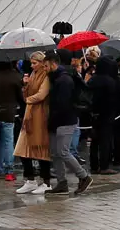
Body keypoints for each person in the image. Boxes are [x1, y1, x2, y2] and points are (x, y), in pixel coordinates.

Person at [45, 49, 93, 194]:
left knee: (63, 151)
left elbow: (62, 104)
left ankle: (84, 176)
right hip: (56, 120)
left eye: (46, 66)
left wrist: (53, 117)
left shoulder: (63, 80)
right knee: (55, 152)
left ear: (53, 64)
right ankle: (61, 182)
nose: (45, 69)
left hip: (65, 119)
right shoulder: (56, 78)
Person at [14, 53, 53, 194]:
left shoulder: (46, 76)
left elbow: (42, 94)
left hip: (41, 115)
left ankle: (46, 182)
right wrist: (25, 86)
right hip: (29, 114)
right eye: (31, 63)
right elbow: (27, 94)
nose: (32, 65)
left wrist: (28, 99)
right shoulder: (32, 74)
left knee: (41, 149)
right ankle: (30, 179)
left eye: (35, 63)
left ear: (42, 63)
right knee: (22, 148)